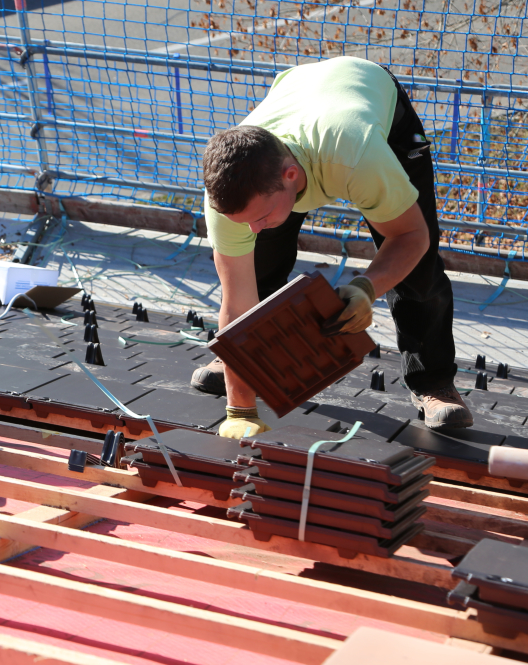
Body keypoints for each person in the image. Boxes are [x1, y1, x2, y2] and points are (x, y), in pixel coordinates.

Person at [194, 56, 468, 438]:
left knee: (418, 273)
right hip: (299, 93)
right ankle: (246, 362)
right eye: (246, 221)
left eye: (261, 215)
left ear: (290, 176)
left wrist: (366, 287)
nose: (253, 228)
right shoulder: (229, 198)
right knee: (258, 265)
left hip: (372, 103)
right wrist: (239, 409)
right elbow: (236, 303)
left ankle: (434, 384)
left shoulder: (356, 155)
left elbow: (411, 237)